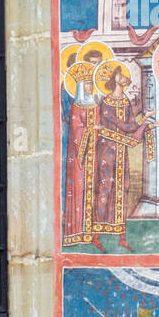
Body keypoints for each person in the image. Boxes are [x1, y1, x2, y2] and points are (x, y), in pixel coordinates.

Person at [88, 63, 151, 252]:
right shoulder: (106, 103)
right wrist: (144, 122)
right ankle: (95, 235)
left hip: (121, 152)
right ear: (114, 79)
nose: (124, 77)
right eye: (120, 75)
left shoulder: (125, 102)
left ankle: (121, 237)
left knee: (122, 189)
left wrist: (144, 121)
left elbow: (131, 124)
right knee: (105, 189)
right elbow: (125, 126)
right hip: (107, 151)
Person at [62, 47, 103, 247]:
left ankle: (92, 234)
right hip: (80, 159)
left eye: (90, 84)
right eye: (86, 84)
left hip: (94, 157)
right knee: (79, 192)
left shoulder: (95, 105)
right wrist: (90, 129)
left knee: (94, 192)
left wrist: (98, 129)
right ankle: (77, 233)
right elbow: (76, 131)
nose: (89, 87)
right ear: (79, 86)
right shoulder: (76, 107)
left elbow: (100, 126)